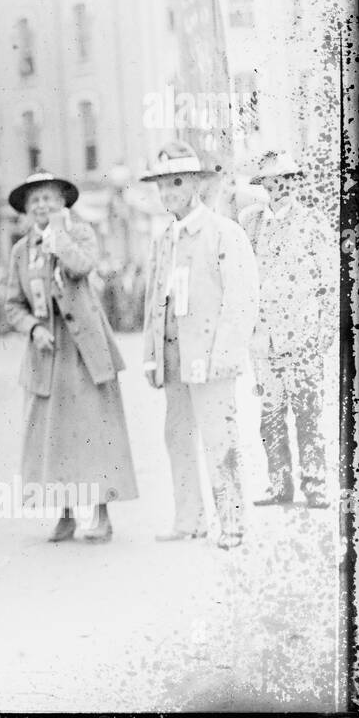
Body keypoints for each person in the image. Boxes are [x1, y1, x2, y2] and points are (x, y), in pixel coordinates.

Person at [4, 172, 138, 543]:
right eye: (34, 201)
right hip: (48, 354)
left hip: (84, 351)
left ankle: (101, 514)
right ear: (26, 210)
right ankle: (64, 515)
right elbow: (12, 304)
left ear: (63, 203)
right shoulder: (20, 251)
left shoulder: (79, 234)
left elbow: (81, 266)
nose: (41, 206)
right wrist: (33, 328)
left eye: (48, 199)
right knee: (53, 436)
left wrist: (57, 236)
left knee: (94, 431)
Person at [141, 142, 259, 549]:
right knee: (177, 437)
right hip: (175, 356)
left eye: (176, 182)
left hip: (209, 355)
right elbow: (153, 303)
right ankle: (189, 519)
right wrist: (152, 356)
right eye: (162, 185)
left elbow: (241, 299)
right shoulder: (163, 241)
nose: (168, 193)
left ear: (195, 184)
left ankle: (233, 522)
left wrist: (226, 355)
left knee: (219, 438)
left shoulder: (223, 233)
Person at [240, 150, 336, 509]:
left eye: (286, 180)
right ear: (263, 185)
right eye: (272, 181)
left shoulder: (313, 223)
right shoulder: (250, 222)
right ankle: (279, 484)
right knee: (270, 415)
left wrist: (325, 330)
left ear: (295, 183)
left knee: (308, 413)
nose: (279, 187)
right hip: (264, 338)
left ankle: (315, 484)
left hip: (303, 334)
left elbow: (329, 281)